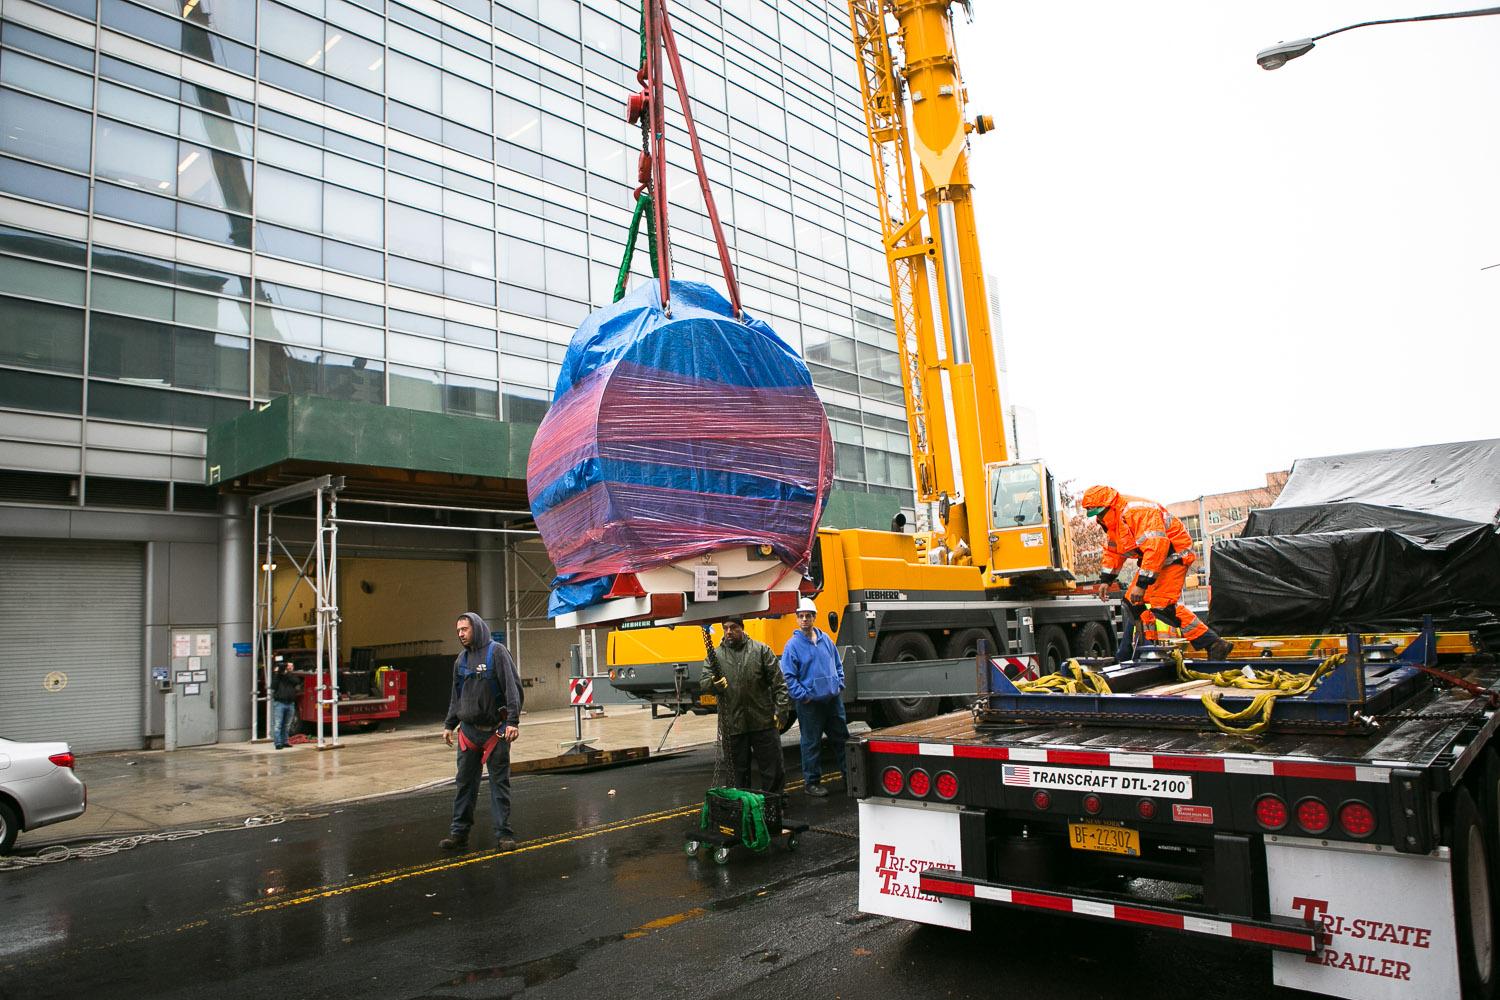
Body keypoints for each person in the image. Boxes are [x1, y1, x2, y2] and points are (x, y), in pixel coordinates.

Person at [1081, 485, 1233, 662]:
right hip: (1156, 560)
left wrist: (1141, 584)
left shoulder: (1137, 512)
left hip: (1174, 555)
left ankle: (1214, 643)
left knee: (1163, 606)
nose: (1097, 518)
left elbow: (1156, 547)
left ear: (1109, 505)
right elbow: (1114, 551)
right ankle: (1149, 648)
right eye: (1093, 514)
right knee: (1131, 602)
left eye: (1098, 513)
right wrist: (1106, 580)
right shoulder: (1113, 522)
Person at [441, 612, 522, 852]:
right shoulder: (461, 660)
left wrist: (513, 722)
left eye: (464, 629)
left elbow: (512, 688)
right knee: (464, 785)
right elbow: (456, 696)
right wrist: (449, 724)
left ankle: (504, 835)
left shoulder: (496, 652)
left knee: (499, 784)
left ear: (476, 627)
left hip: (495, 734)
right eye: (458, 631)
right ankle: (459, 834)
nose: (461, 634)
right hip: (468, 734)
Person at [702, 616, 789, 795]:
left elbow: (779, 683)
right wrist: (713, 683)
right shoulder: (715, 655)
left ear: (741, 628)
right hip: (733, 724)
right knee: (737, 774)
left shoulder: (761, 650)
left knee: (772, 768)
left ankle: (775, 803)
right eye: (725, 628)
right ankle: (742, 806)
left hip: (763, 721)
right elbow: (703, 683)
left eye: (733, 627)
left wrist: (781, 711)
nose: (728, 632)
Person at [780, 597, 848, 797]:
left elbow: (837, 664)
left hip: (832, 701)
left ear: (814, 617)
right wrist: (804, 696)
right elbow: (789, 676)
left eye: (808, 616)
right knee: (811, 743)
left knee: (842, 740)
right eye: (800, 616)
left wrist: (839, 683)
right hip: (810, 705)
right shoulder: (792, 646)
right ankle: (812, 783)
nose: (804, 620)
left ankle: (850, 777)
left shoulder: (826, 639)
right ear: (796, 619)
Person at [270, 660, 302, 750]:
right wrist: (277, 673)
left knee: (287, 725)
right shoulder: (278, 677)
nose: (290, 668)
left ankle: (285, 741)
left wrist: (286, 673)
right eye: (288, 666)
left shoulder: (292, 676)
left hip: (290, 703)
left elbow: (296, 681)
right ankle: (278, 743)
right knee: (278, 724)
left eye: (291, 666)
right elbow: (273, 686)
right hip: (279, 703)